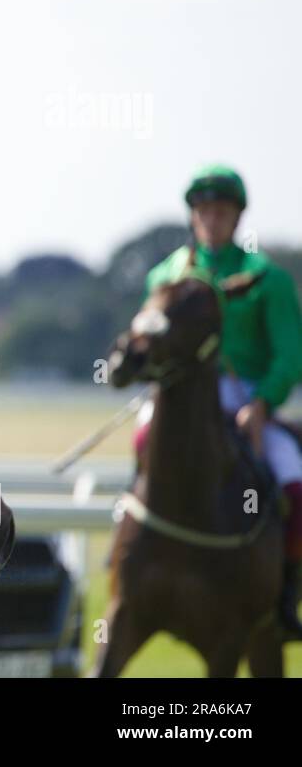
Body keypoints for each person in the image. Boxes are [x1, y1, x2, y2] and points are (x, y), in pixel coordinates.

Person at [140, 165, 302, 639]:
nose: (212, 218)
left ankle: (284, 597)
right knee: (144, 440)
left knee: (295, 488)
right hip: (181, 399)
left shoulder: (266, 279)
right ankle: (131, 557)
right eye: (204, 210)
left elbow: (290, 356)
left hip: (248, 398)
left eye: (222, 210)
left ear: (237, 217)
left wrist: (263, 406)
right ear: (193, 216)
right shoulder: (165, 276)